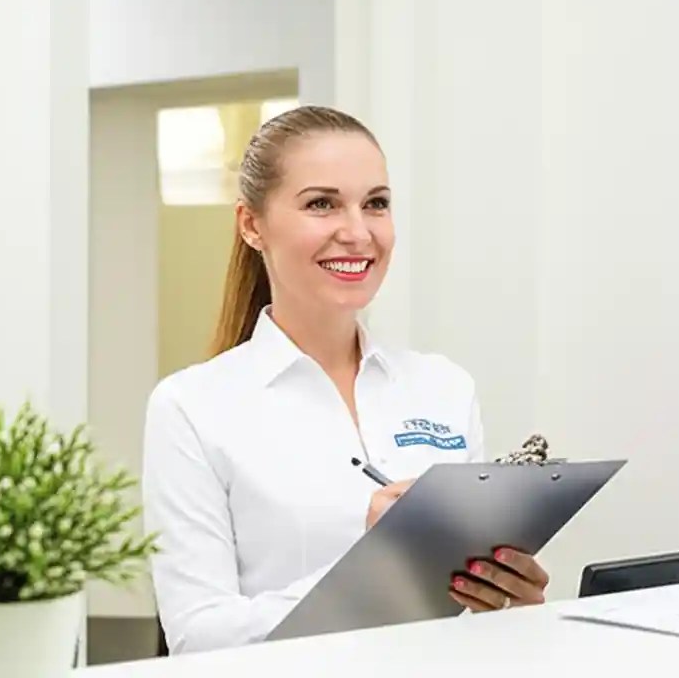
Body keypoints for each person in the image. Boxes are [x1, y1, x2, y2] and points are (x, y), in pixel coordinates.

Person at [141, 106, 549, 654]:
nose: (357, 232)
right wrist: (370, 569)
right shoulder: (192, 407)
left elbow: (462, 622)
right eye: (321, 204)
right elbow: (197, 637)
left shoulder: (445, 388)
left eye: (375, 204)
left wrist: (508, 602)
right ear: (252, 225)